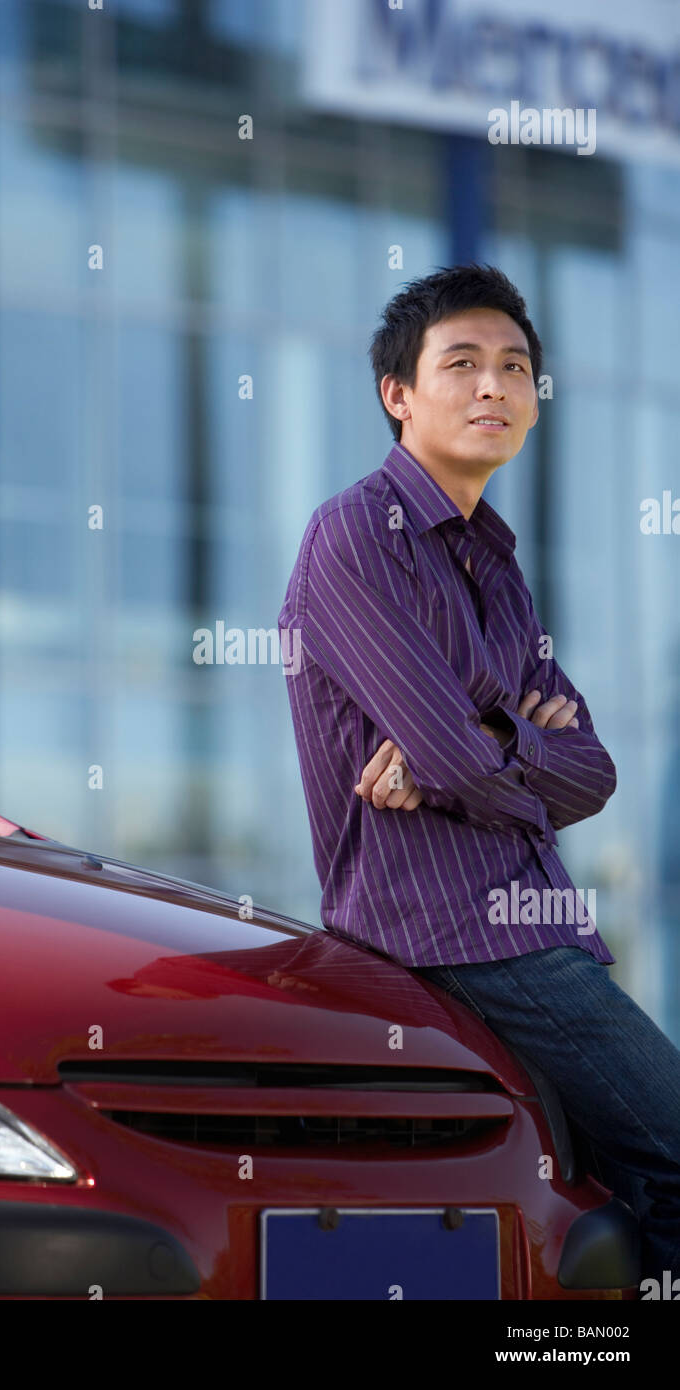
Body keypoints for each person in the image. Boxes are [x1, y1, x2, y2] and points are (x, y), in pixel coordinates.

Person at [277, 263, 680, 1288]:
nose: (492, 386)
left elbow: (591, 773)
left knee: (595, 1187)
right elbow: (470, 755)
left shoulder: (494, 565)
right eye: (460, 364)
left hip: (531, 929)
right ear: (396, 394)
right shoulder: (355, 533)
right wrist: (494, 744)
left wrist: (478, 740)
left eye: (513, 368)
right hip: (452, 928)